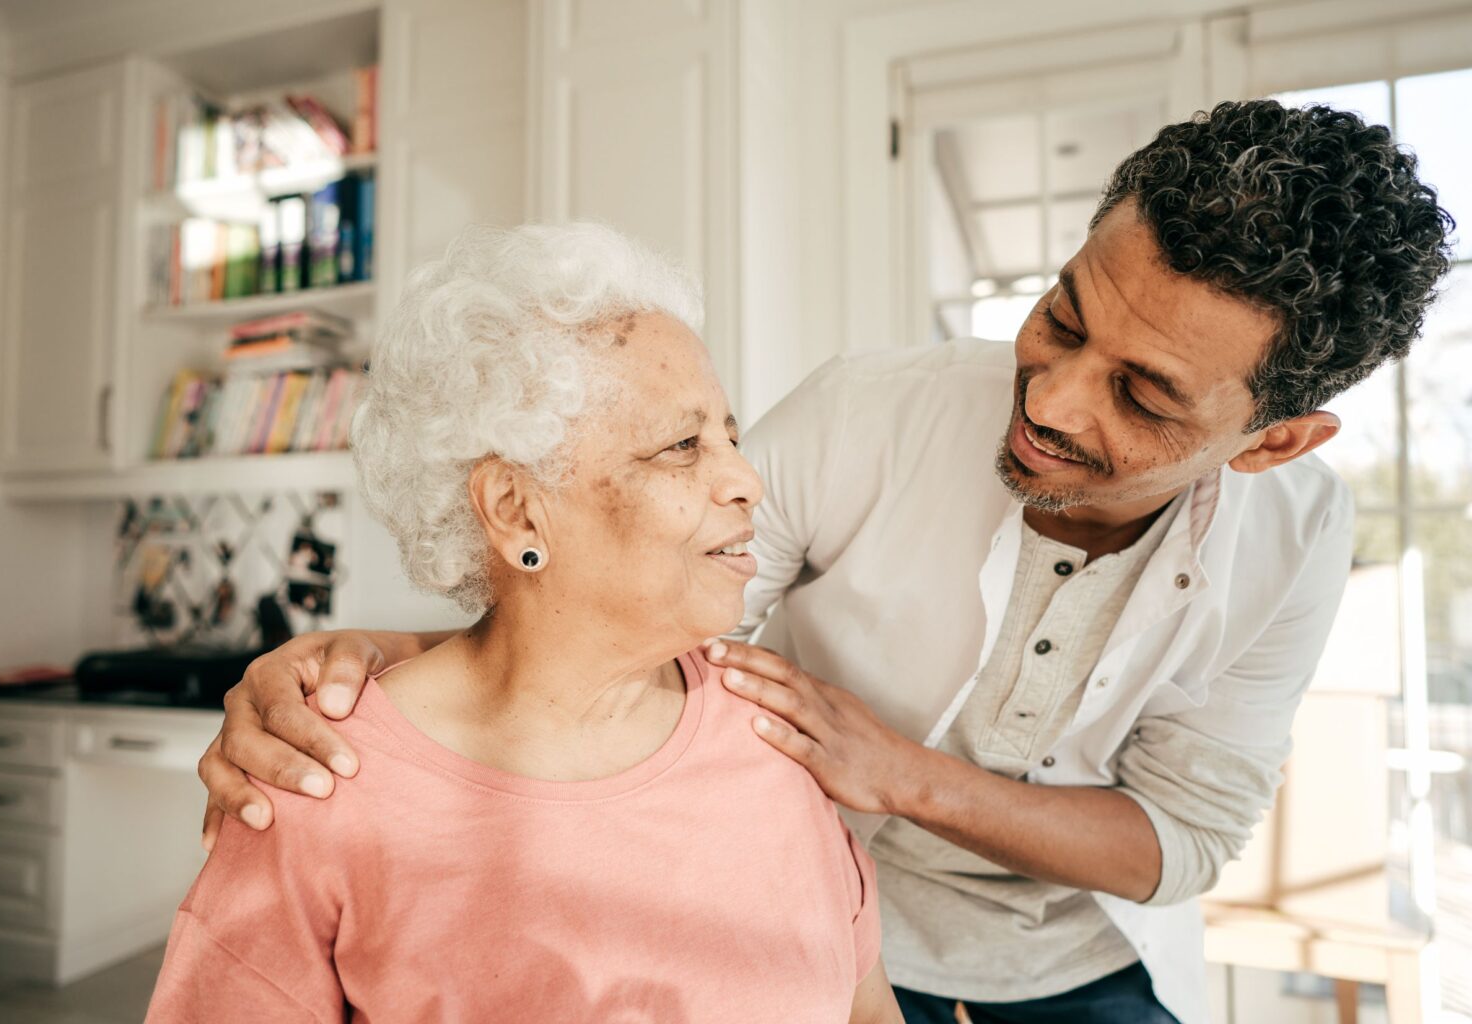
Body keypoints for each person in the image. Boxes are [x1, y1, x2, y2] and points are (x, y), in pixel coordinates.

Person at [197, 101, 1454, 1024]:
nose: (1054, 399)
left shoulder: (1300, 538)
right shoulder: (872, 410)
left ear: (1273, 440)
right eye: (1063, 315)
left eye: (1142, 392)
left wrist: (897, 773)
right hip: (858, 927)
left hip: (1079, 957)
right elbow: (622, 586)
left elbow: (1177, 835)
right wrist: (375, 664)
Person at [148, 224, 901, 1023]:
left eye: (731, 436)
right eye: (682, 445)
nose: (747, 479)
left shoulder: (778, 735)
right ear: (515, 508)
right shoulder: (316, 778)